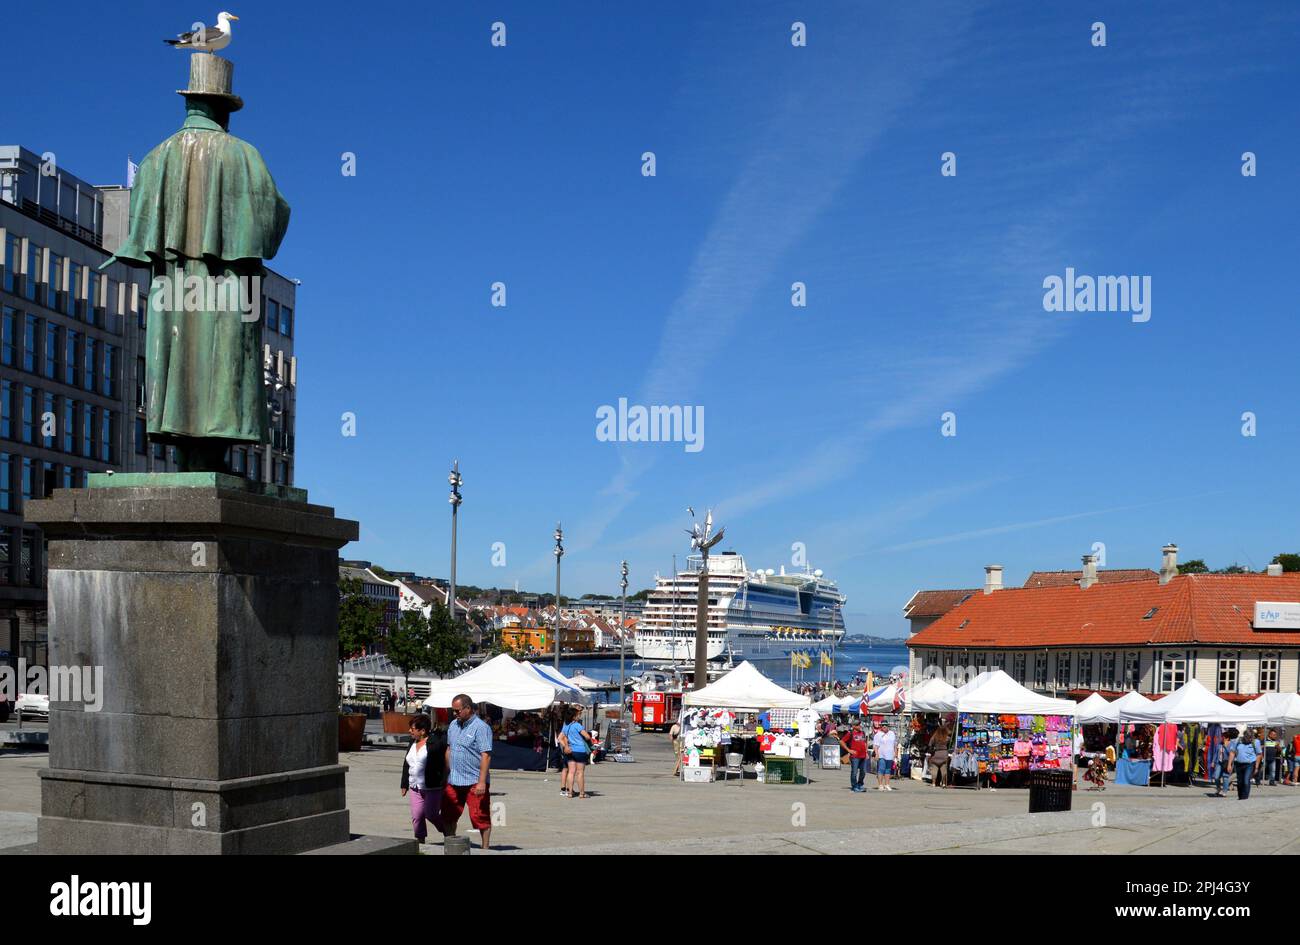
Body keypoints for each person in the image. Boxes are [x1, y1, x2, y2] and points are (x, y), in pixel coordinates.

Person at [442, 693, 494, 849]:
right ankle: (451, 844)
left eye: (457, 710)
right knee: (448, 814)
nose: (455, 713)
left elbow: (486, 755)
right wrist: (446, 774)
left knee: (479, 816)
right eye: (453, 711)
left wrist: (482, 782)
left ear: (468, 708)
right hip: (453, 779)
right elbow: (449, 749)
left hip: (474, 781)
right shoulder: (453, 725)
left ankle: (485, 848)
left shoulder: (481, 727)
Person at [400, 715, 446, 843]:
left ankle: (446, 830)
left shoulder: (435, 743)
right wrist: (404, 784)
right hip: (415, 786)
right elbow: (406, 764)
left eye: (412, 728)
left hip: (432, 786)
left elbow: (444, 762)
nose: (410, 731)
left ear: (423, 731)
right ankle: (420, 843)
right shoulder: (412, 743)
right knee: (417, 816)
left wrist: (444, 780)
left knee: (431, 814)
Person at [559, 706, 593, 799]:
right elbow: (587, 737)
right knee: (580, 772)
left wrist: (566, 745)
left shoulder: (566, 726)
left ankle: (570, 793)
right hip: (580, 750)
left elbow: (561, 738)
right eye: (577, 715)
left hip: (570, 751)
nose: (579, 717)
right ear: (573, 717)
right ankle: (582, 794)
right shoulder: (577, 725)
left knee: (571, 772)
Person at [1227, 727, 1261, 801]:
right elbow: (1232, 752)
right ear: (1244, 736)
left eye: (1251, 738)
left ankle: (1245, 798)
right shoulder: (1238, 741)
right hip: (1238, 764)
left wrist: (1256, 767)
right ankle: (1240, 797)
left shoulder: (1256, 742)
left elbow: (1259, 754)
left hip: (1249, 764)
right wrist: (1229, 764)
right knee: (1240, 782)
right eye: (1248, 738)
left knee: (1246, 781)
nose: (1249, 739)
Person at [844, 721, 869, 793]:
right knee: (854, 772)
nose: (859, 726)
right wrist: (849, 750)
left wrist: (866, 752)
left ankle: (860, 784)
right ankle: (854, 786)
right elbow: (842, 742)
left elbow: (865, 743)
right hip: (855, 756)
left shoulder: (863, 733)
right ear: (854, 726)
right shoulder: (850, 733)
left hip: (863, 755)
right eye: (858, 725)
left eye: (860, 724)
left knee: (863, 772)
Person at [872, 722, 897, 792]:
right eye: (882, 725)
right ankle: (880, 785)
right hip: (882, 755)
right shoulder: (878, 735)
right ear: (881, 726)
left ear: (888, 726)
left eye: (885, 725)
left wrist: (895, 753)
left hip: (890, 755)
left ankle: (887, 784)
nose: (884, 726)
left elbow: (895, 744)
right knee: (881, 769)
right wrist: (877, 754)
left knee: (888, 770)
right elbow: (875, 746)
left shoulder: (892, 733)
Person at [928, 724, 951, 788]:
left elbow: (930, 744)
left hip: (936, 754)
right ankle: (943, 783)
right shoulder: (947, 738)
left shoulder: (934, 737)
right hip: (944, 754)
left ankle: (933, 783)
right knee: (943, 770)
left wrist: (932, 750)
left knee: (934, 770)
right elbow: (949, 745)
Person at [1209, 733, 1230, 797]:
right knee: (1216, 776)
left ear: (1227, 738)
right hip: (1219, 762)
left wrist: (1226, 747)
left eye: (1224, 737)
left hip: (1226, 762)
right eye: (1222, 737)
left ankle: (1224, 791)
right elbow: (1215, 753)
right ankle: (1218, 788)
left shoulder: (1230, 745)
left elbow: (1231, 754)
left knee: (1225, 777)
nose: (1222, 739)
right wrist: (1213, 761)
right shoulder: (1219, 745)